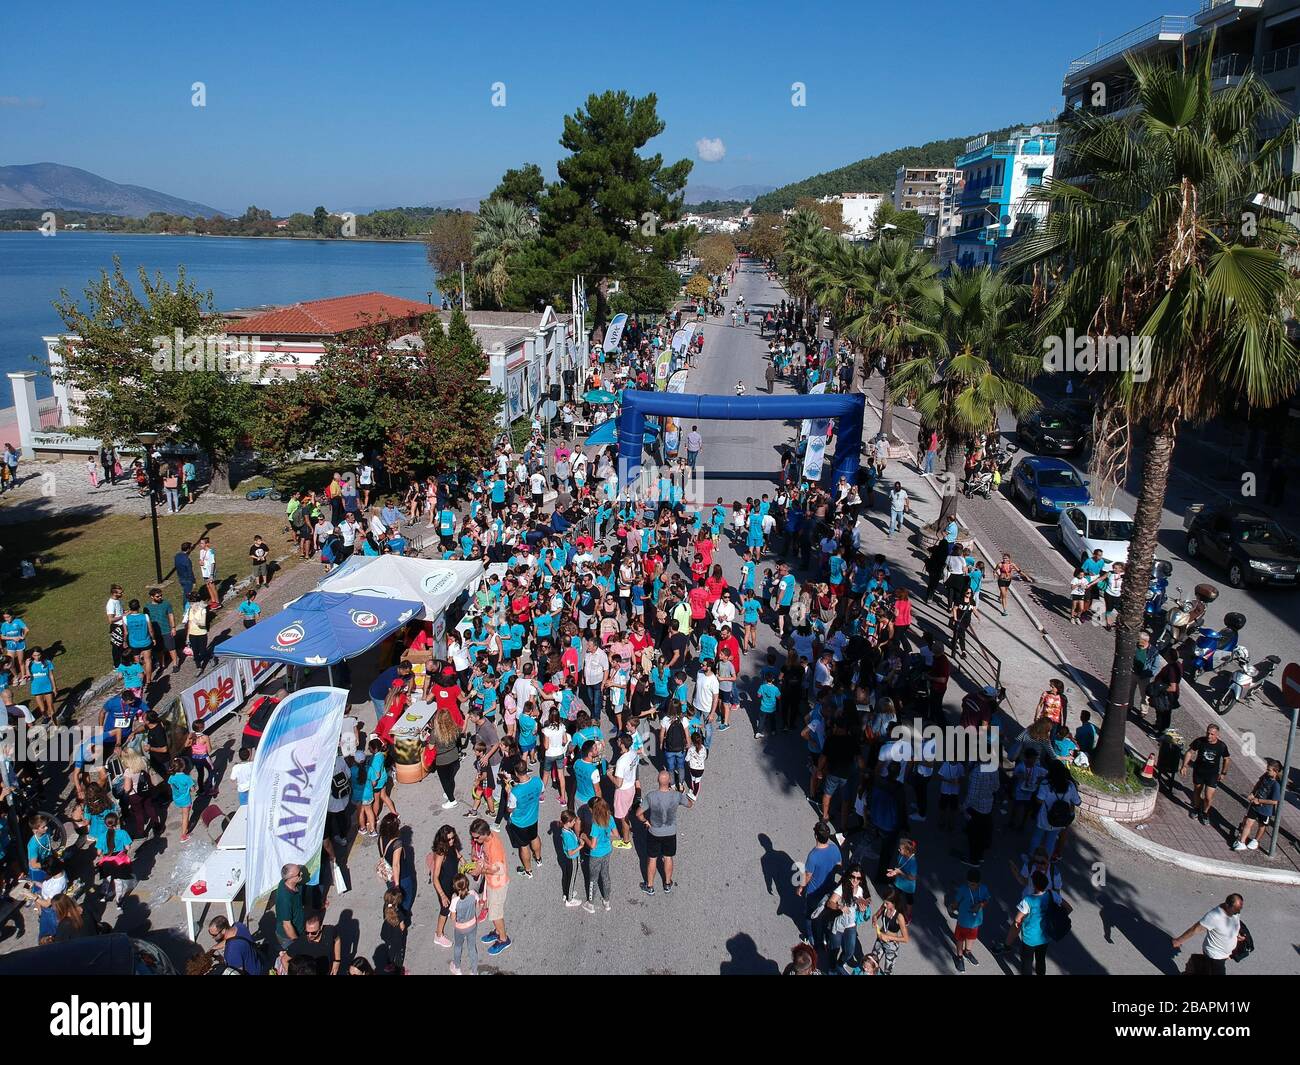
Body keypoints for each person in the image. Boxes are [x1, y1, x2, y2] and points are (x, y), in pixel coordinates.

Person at [637, 770, 693, 895]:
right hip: (670, 832)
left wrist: (645, 821)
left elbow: (638, 814)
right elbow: (689, 804)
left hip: (654, 832)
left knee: (652, 858)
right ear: (669, 782)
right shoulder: (677, 795)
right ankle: (667, 884)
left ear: (658, 781)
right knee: (668, 857)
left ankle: (650, 886)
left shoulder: (651, 796)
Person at [1172, 894, 1246, 975]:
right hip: (1215, 956)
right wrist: (1178, 941)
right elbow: (1195, 929)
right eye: (1235, 909)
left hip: (1223, 955)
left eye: (1239, 909)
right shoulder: (1214, 916)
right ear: (1227, 905)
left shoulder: (1235, 912)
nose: (1238, 912)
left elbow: (1233, 924)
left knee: (1206, 971)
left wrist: (1237, 934)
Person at [470, 817, 511, 956]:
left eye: (476, 837)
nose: (474, 840)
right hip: (491, 881)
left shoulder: (495, 847)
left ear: (483, 834)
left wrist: (480, 870)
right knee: (493, 911)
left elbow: (499, 869)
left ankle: (503, 939)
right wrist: (481, 861)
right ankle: (497, 931)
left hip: (498, 884)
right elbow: (489, 861)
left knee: (495, 914)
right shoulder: (488, 839)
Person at [796, 820, 842, 946]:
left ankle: (811, 939)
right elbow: (839, 865)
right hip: (829, 888)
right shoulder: (834, 849)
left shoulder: (813, 856)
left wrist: (800, 887)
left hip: (814, 892)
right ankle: (825, 937)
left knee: (810, 915)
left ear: (816, 836)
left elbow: (808, 875)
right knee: (823, 913)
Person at [1182, 723, 1231, 827]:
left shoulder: (1221, 746)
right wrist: (1184, 766)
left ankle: (1204, 812)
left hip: (1212, 775)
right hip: (1199, 772)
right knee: (1197, 791)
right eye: (1208, 733)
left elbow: (1226, 759)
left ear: (1217, 735)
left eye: (1212, 734)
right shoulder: (1200, 741)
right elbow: (1190, 752)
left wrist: (1223, 773)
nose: (1209, 736)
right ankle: (1196, 808)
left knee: (1208, 797)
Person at [1004, 870, 1051, 975]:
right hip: (1044, 936)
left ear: (1034, 885)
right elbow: (1065, 907)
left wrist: (1017, 924)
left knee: (1027, 962)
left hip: (1030, 938)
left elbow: (1017, 919)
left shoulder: (1028, 900)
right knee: (1041, 960)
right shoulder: (1050, 896)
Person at [1235, 759, 1282, 851]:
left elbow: (1275, 801)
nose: (1266, 771)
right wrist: (1253, 793)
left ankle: (1256, 840)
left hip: (1265, 810)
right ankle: (1242, 842)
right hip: (1255, 805)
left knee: (1262, 826)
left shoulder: (1276, 785)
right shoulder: (1265, 776)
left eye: (1269, 770)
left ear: (1275, 771)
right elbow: (1258, 783)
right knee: (1248, 822)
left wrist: (1259, 800)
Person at [952, 867, 990, 972]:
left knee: (971, 938)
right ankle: (959, 957)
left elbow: (987, 899)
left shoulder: (983, 889)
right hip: (963, 921)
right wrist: (953, 907)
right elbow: (956, 902)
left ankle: (967, 952)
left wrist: (981, 904)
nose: (972, 886)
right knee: (960, 939)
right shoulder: (963, 889)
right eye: (970, 884)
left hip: (975, 921)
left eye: (974, 884)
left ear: (979, 882)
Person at [448, 874, 481, 975]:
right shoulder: (473, 893)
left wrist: (451, 916)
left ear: (455, 887)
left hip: (460, 928)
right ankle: (474, 971)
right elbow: (478, 906)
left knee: (458, 946)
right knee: (472, 948)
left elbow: (453, 918)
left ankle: (457, 968)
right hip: (472, 925)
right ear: (467, 883)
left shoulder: (454, 900)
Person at [274, 864, 307, 949]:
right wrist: (297, 944)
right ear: (290, 878)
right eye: (299, 874)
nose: (301, 874)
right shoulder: (285, 899)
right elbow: (287, 925)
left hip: (300, 929)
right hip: (289, 937)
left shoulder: (288, 883)